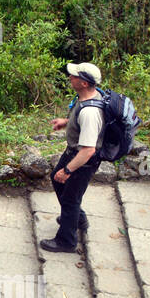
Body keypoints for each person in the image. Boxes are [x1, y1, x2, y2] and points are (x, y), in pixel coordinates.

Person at [41, 62, 104, 254]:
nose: (70, 77)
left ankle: (66, 241)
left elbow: (88, 150)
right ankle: (77, 219)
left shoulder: (90, 113)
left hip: (82, 161)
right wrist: (67, 122)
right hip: (74, 153)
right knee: (56, 180)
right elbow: (81, 120)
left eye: (74, 76)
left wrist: (68, 170)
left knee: (70, 198)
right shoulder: (87, 98)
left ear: (84, 83)